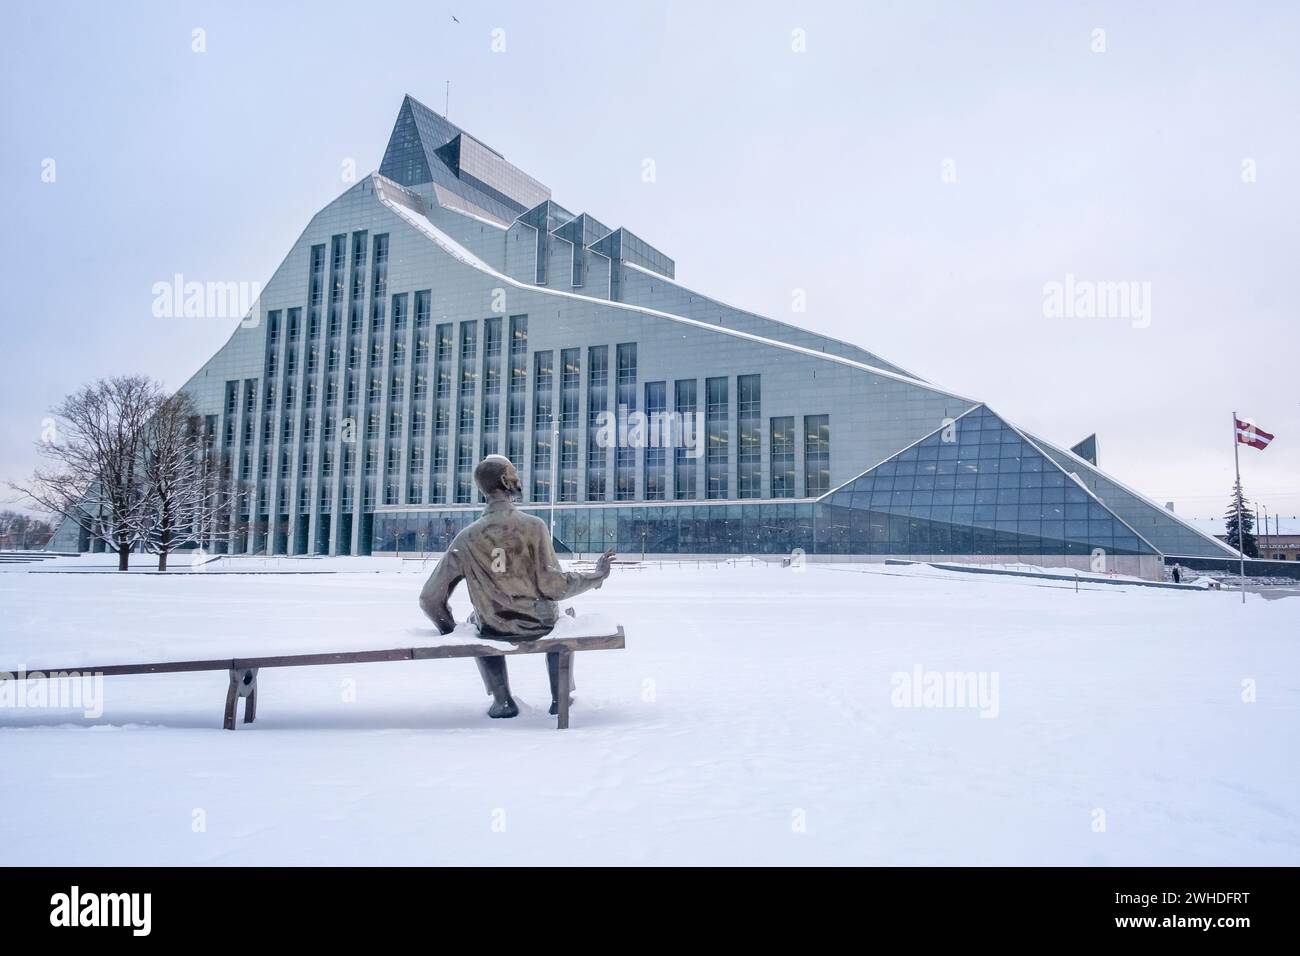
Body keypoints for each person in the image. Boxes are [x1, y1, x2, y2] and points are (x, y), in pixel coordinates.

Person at [418, 455, 615, 718]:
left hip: (493, 628)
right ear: (504, 481)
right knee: (566, 615)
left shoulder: (466, 538)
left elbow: (430, 598)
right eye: (513, 473)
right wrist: (596, 576)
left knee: (473, 620)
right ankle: (560, 698)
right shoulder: (534, 527)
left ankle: (502, 701)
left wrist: (449, 630)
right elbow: (554, 586)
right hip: (539, 625)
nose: (517, 478)